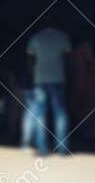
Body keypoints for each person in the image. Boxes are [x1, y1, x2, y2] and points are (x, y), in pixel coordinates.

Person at [22, 18, 72, 156]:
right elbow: (67, 59)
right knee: (60, 113)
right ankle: (62, 148)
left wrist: (34, 75)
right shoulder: (63, 36)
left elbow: (30, 59)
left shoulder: (35, 37)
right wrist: (66, 74)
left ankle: (42, 149)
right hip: (58, 78)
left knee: (41, 114)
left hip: (40, 79)